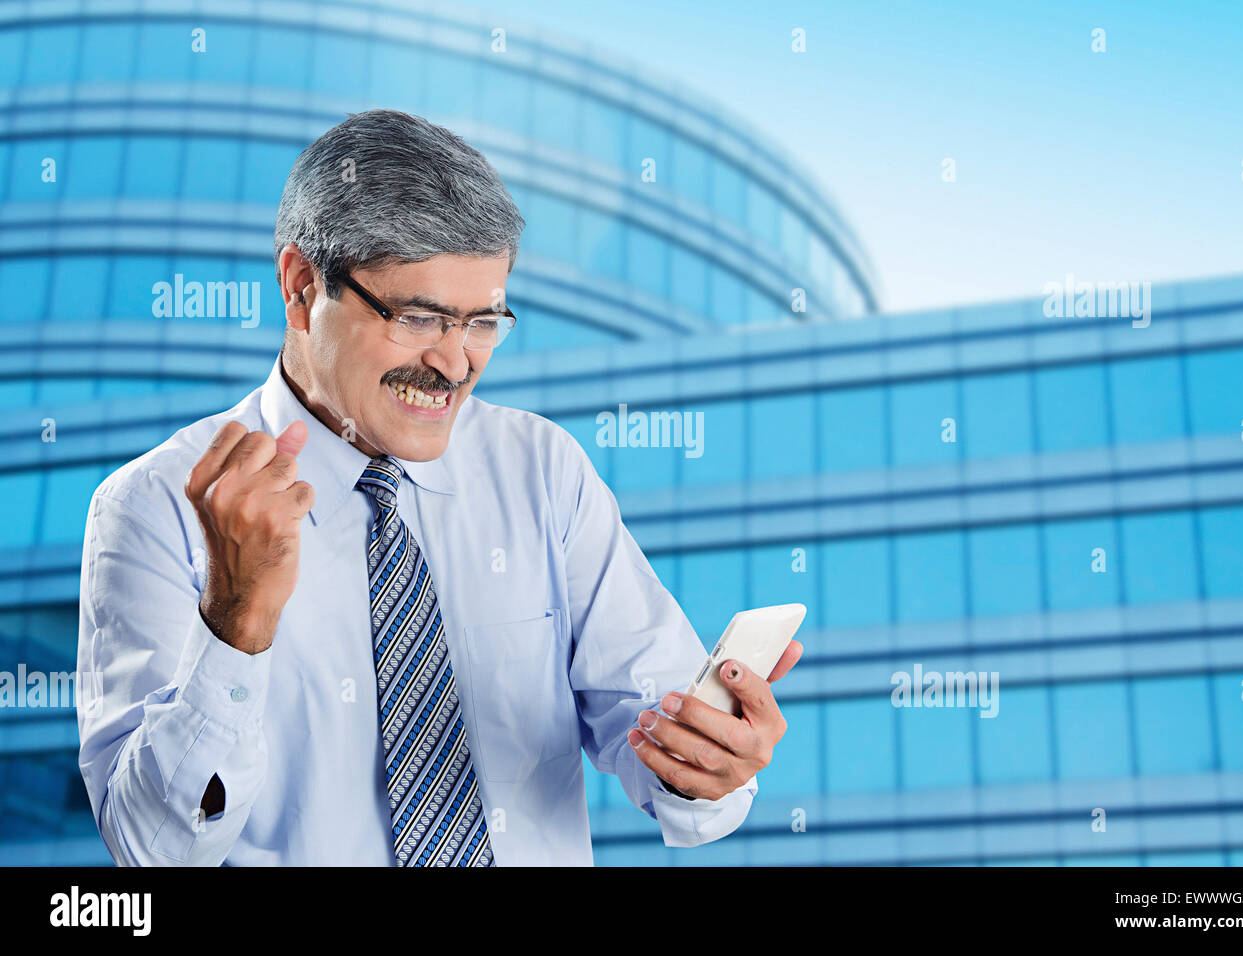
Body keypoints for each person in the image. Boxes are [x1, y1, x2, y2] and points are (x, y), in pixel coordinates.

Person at [75, 109, 801, 866]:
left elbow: (653, 728)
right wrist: (235, 625)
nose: (455, 364)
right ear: (299, 288)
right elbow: (151, 848)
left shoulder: (540, 470)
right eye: (420, 317)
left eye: (484, 322)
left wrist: (704, 761)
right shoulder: (158, 504)